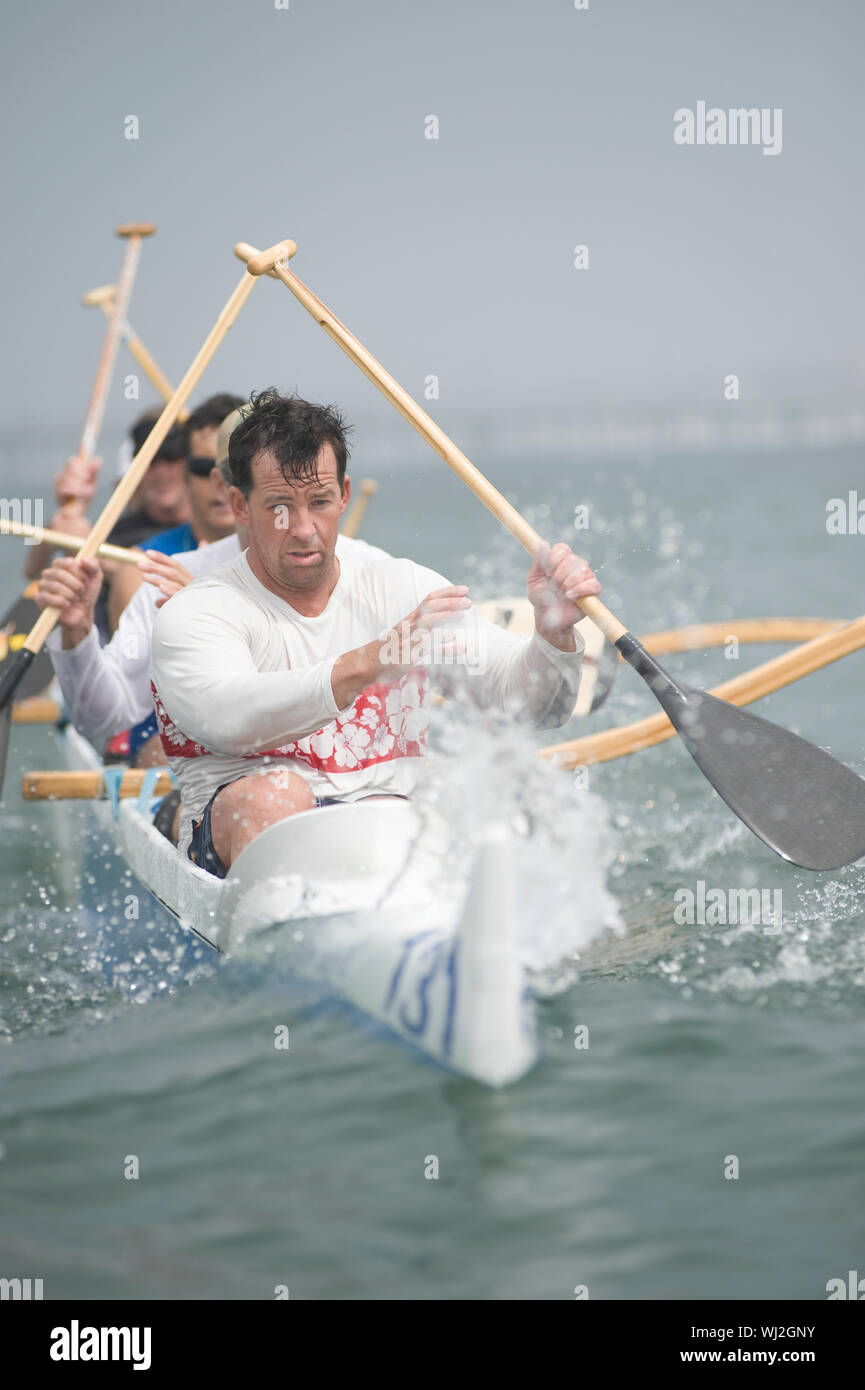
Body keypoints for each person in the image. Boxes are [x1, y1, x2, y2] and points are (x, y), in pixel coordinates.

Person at [151, 390, 602, 878]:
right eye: (280, 507)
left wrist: (552, 634)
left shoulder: (404, 587)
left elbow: (536, 708)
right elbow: (230, 718)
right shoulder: (196, 612)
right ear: (240, 505)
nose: (304, 529)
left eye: (320, 503)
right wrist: (371, 661)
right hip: (244, 845)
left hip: (381, 831)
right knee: (276, 794)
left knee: (490, 791)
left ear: (344, 495)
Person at [36, 403, 390, 784]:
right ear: (236, 495)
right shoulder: (163, 580)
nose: (298, 522)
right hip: (229, 787)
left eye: (312, 495)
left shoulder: (374, 572)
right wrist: (76, 635)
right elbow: (104, 722)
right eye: (274, 493)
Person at [24, 407, 190, 640]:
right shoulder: (118, 530)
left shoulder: (211, 529)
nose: (161, 472)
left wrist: (91, 552)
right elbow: (33, 570)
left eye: (172, 457)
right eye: (151, 460)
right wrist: (65, 516)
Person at [105, 393, 245, 627]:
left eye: (235, 467)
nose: (221, 483)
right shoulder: (140, 572)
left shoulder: (291, 559)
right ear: (185, 475)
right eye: (204, 468)